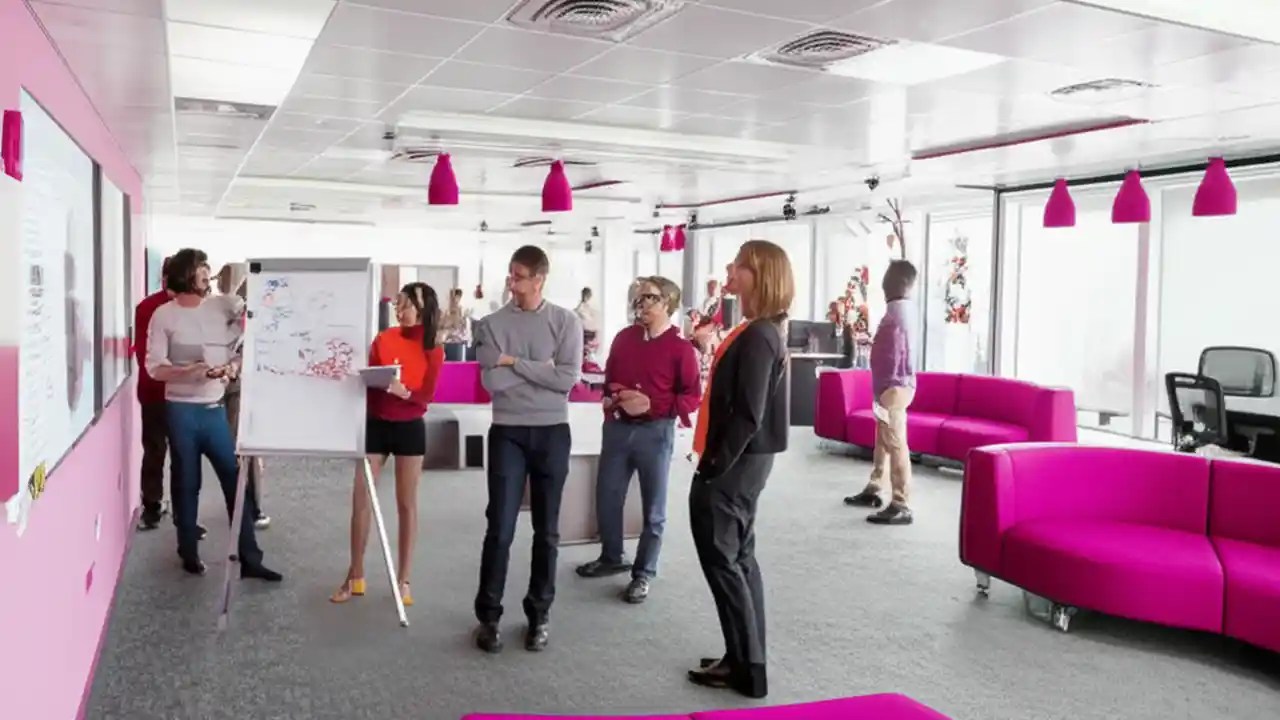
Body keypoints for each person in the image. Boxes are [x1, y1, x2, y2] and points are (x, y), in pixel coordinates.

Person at [686, 240, 791, 700]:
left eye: (740, 267)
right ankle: (746, 658)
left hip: (735, 466)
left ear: (759, 276)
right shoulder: (760, 330)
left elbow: (748, 414)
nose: (731, 272)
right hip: (745, 464)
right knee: (739, 559)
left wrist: (713, 464)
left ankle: (747, 667)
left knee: (725, 561)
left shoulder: (761, 335)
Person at [145, 248, 282, 582]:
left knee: (235, 482)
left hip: (214, 411)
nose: (206, 271)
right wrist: (190, 371)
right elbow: (155, 368)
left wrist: (233, 367)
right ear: (185, 274)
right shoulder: (164, 315)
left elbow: (248, 341)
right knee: (187, 483)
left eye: (207, 266)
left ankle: (250, 558)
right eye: (199, 267)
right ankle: (189, 552)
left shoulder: (222, 306)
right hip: (181, 411)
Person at [472, 245, 582, 654]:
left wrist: (512, 362)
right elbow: (491, 383)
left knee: (547, 531)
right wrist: (542, 369)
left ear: (539, 280)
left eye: (519, 276)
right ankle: (489, 617)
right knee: (500, 527)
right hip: (508, 432)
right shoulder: (491, 325)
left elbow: (567, 379)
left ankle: (539, 615)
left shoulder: (565, 322)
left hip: (552, 432)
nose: (511, 283)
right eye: (510, 274)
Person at [576, 276, 701, 604]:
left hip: (655, 432)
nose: (641, 303)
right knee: (607, 495)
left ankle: (644, 572)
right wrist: (613, 396)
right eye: (639, 297)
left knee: (653, 507)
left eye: (650, 297)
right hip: (617, 428)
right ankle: (611, 556)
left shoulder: (681, 349)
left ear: (668, 304)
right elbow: (609, 379)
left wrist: (653, 405)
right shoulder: (624, 338)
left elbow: (691, 397)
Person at [331, 282, 444, 607]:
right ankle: (355, 575)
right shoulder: (384, 339)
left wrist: (402, 391)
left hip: (410, 427)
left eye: (407, 304)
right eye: (399, 304)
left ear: (423, 309)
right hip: (377, 424)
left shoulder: (433, 348)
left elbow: (426, 395)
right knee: (361, 499)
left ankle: (403, 579)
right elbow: (367, 381)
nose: (401, 309)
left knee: (406, 504)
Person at [844, 260, 919, 525]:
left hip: (893, 388)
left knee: (895, 443)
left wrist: (888, 391)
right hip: (888, 387)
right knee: (883, 440)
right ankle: (875, 487)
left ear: (894, 283)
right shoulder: (901, 310)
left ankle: (901, 503)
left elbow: (900, 354)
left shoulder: (898, 314)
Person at [213, 264, 269, 530]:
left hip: (234, 386)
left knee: (243, 448)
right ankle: (250, 507)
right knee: (245, 448)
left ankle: (249, 506)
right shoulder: (237, 317)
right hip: (237, 386)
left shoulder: (228, 316)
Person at [441, 287, 471, 361]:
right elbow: (441, 327)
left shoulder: (464, 315)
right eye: (451, 298)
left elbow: (463, 333)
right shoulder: (445, 314)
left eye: (455, 298)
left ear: (459, 298)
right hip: (446, 345)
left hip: (459, 346)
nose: (453, 300)